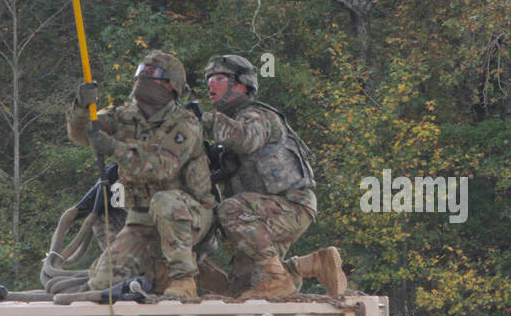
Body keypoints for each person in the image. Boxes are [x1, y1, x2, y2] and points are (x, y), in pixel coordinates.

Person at [67, 50, 215, 299]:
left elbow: (162, 166)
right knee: (102, 284)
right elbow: (82, 134)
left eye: (152, 74)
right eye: (140, 73)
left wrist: (114, 147)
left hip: (190, 214)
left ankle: (183, 279)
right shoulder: (125, 117)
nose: (142, 81)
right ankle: (156, 274)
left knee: (164, 200)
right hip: (141, 218)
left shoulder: (185, 123)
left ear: (171, 86)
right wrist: (81, 108)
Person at [200, 55, 346, 299]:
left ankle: (277, 278)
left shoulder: (256, 115)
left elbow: (245, 139)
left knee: (230, 210)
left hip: (289, 206)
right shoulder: (237, 120)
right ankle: (310, 264)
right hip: (268, 213)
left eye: (219, 78)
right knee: (245, 287)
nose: (211, 85)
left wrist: (201, 119)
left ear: (241, 84)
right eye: (209, 80)